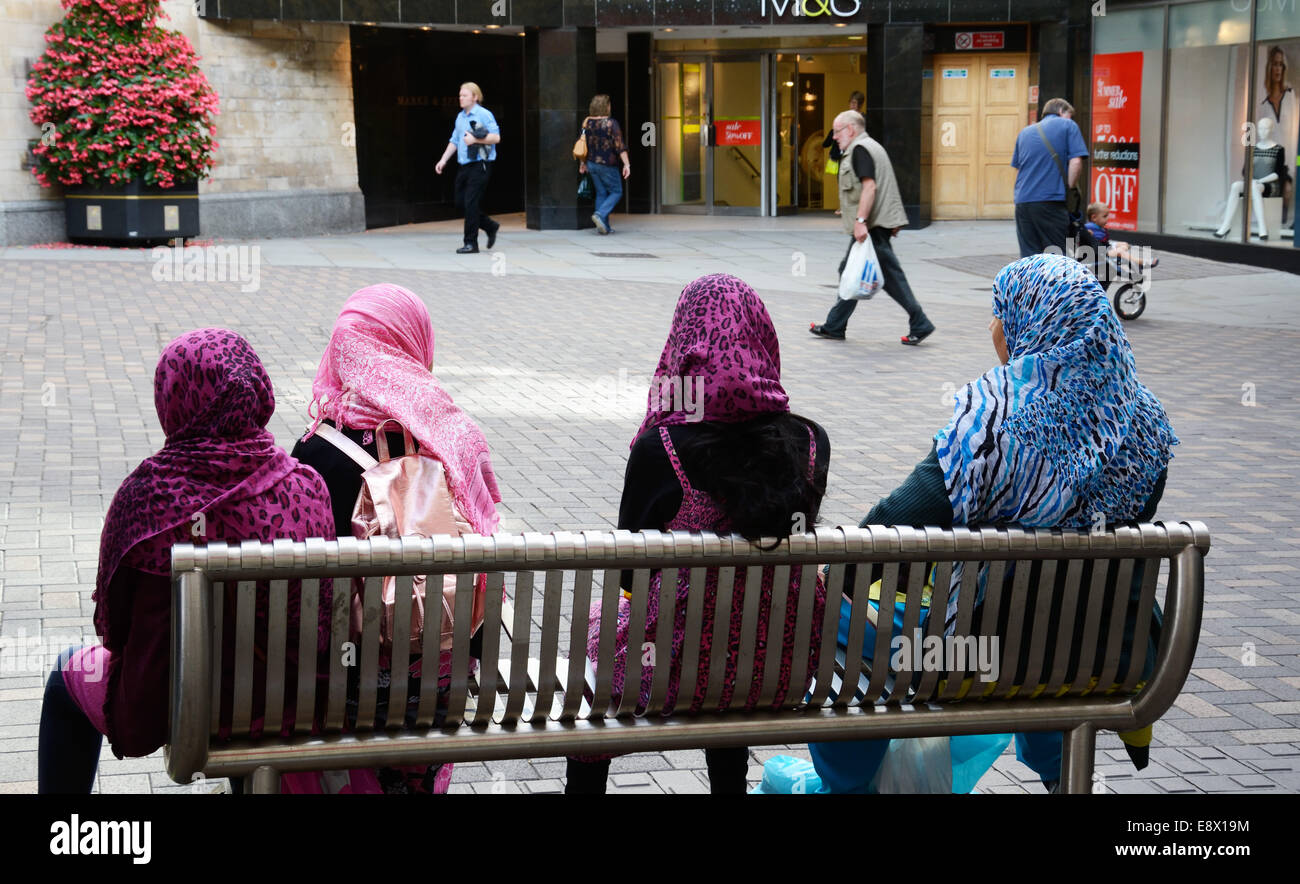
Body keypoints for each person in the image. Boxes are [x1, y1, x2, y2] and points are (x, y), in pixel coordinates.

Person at [806, 253, 1179, 793]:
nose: (992, 326)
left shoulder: (991, 421)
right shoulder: (1143, 423)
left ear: (1035, 324)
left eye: (1002, 313)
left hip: (976, 656)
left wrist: (833, 578)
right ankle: (1064, 777)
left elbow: (890, 527)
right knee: (1047, 624)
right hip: (1101, 650)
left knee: (832, 608)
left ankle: (850, 785)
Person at [37, 329, 337, 793]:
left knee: (64, 674)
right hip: (287, 708)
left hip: (167, 712)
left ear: (172, 399)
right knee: (252, 681)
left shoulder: (145, 497)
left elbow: (113, 632)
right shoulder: (307, 486)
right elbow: (323, 619)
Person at [565, 273, 831, 795]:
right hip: (779, 665)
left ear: (683, 343)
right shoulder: (810, 440)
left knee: (623, 642)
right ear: (762, 338)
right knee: (729, 624)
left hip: (668, 671)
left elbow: (628, 575)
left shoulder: (660, 446)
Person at [289, 282, 504, 794]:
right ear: (414, 341)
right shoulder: (453, 437)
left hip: (346, 686)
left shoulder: (311, 456)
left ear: (344, 349)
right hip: (441, 678)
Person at [809, 110, 936, 345]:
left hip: (871, 225)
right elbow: (870, 187)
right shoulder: (871, 146)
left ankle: (920, 322)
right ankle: (835, 325)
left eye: (837, 132)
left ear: (850, 129)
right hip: (876, 222)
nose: (834, 137)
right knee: (851, 270)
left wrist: (860, 221)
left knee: (885, 276)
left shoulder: (860, 149)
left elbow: (870, 187)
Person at [1011, 97, 1089, 257]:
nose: (1070, 119)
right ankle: (1054, 283)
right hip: (1051, 200)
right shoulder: (1068, 125)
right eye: (1069, 115)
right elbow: (1075, 162)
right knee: (1056, 254)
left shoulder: (1025, 132)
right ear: (1061, 111)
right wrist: (1071, 188)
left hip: (1023, 202)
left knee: (1029, 256)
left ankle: (1030, 282)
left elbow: (1018, 170)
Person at [434, 82, 501, 254]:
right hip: (464, 165)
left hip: (481, 163)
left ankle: (471, 243)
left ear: (475, 97)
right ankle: (489, 225)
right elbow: (454, 140)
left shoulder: (484, 114)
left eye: (464, 95)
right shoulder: (460, 117)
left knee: (471, 202)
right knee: (460, 202)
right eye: (460, 95)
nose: (460, 98)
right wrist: (443, 160)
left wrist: (476, 140)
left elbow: (495, 138)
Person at [578, 94, 630, 235]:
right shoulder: (610, 123)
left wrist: (583, 163)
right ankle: (600, 214)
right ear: (605, 106)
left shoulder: (587, 123)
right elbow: (620, 146)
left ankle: (604, 227)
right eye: (609, 104)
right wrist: (627, 165)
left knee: (601, 193)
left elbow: (583, 145)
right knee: (616, 191)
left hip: (591, 164)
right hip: (607, 164)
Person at [823, 90, 866, 215]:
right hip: (843, 155)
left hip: (857, 153)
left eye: (854, 103)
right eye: (851, 102)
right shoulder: (845, 117)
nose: (852, 105)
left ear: (860, 104)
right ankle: (843, 206)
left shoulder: (862, 119)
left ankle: (856, 207)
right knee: (843, 180)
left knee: (857, 180)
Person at [1085, 201, 1158, 273]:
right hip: (1100, 252)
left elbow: (1103, 241)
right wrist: (1087, 233)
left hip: (1104, 247)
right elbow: (1088, 238)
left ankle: (1130, 261)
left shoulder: (1099, 227)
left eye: (1108, 216)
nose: (1107, 219)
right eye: (1105, 216)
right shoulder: (1089, 227)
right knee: (1121, 252)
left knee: (1124, 244)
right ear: (1094, 217)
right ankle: (1140, 263)